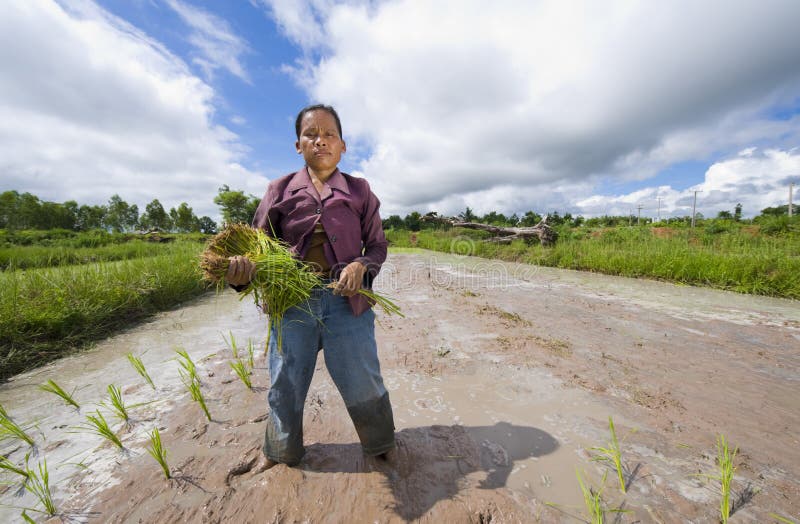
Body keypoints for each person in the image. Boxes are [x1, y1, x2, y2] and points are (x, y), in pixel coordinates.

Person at [226, 104, 396, 468]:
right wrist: (242, 275)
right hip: (292, 303)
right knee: (285, 381)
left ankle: (380, 446)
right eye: (311, 134)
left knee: (363, 377)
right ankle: (281, 451)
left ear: (343, 145)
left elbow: (378, 245)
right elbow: (256, 251)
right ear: (298, 144)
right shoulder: (280, 190)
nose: (321, 140)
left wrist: (361, 265)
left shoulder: (359, 190)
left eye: (329, 134)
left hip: (347, 302)